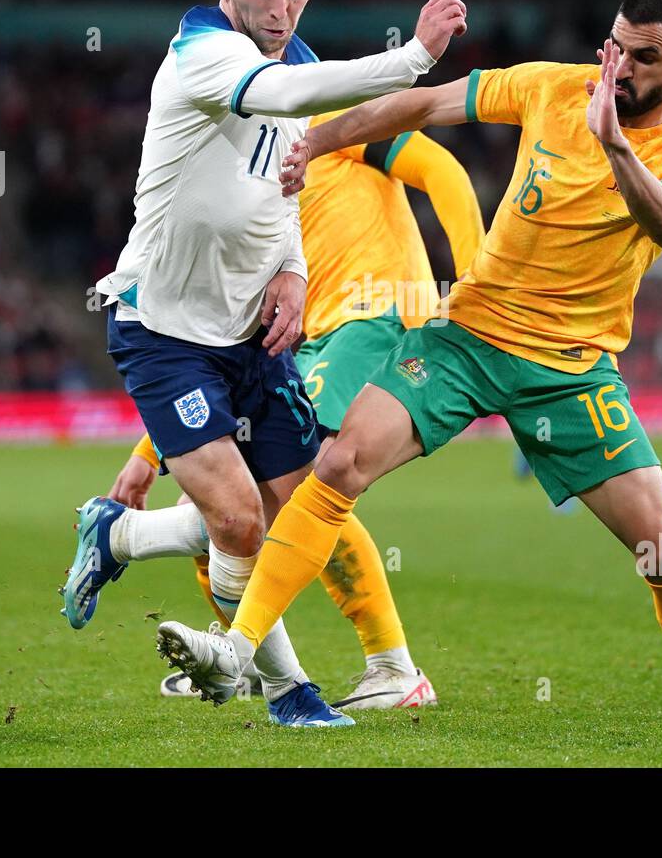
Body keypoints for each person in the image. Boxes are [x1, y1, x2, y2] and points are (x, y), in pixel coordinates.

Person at [157, 0, 662, 724]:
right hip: (468, 336)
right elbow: (423, 105)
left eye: (644, 57)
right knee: (335, 465)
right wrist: (317, 140)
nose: (620, 68)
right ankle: (241, 649)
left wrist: (615, 144)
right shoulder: (551, 87)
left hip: (570, 369)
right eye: (615, 47)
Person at [58, 0, 466, 728]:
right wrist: (414, 58)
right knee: (241, 519)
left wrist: (292, 271)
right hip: (164, 333)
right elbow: (291, 104)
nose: (281, 10)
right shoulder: (204, 57)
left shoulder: (295, 63)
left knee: (301, 502)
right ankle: (288, 691)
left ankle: (121, 539)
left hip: (254, 334)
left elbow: (281, 192)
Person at [110, 108, 483, 709]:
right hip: (307, 341)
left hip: (371, 315)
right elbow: (218, 352)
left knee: (309, 486)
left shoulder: (327, 122)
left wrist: (473, 282)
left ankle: (393, 667)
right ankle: (253, 661)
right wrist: (150, 452)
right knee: (218, 497)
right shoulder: (234, 176)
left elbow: (442, 170)